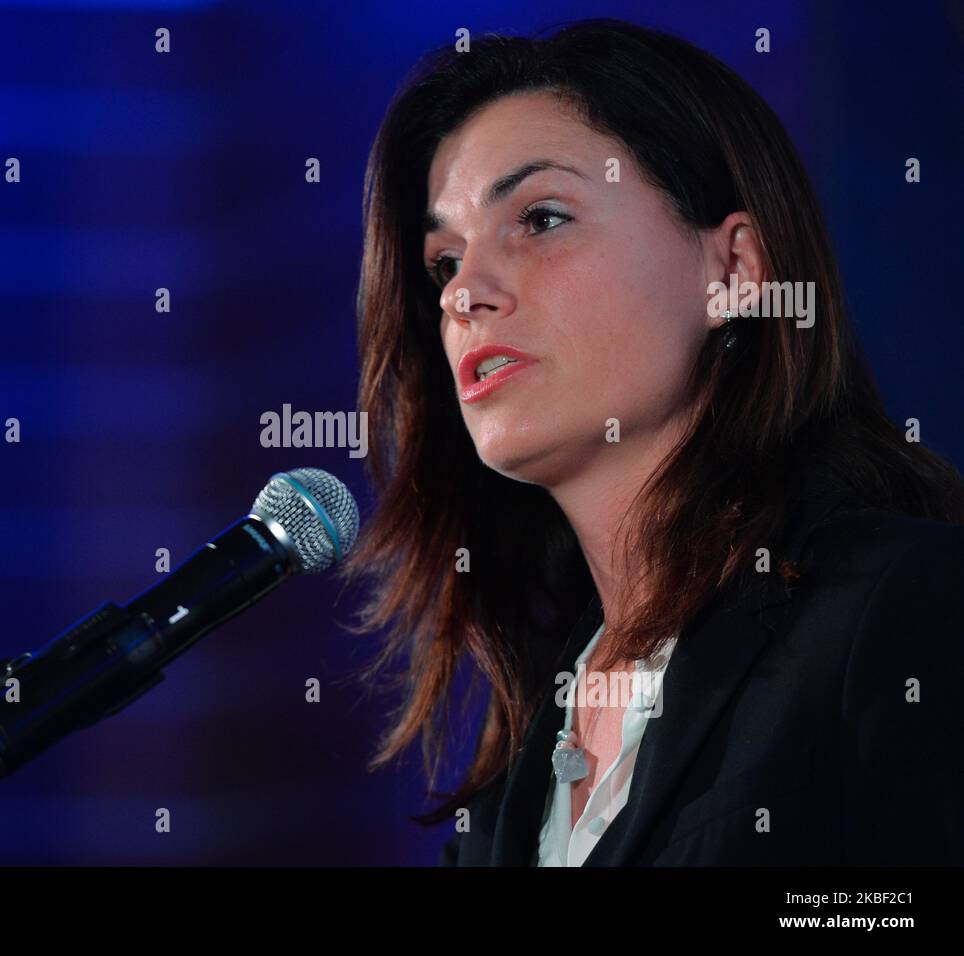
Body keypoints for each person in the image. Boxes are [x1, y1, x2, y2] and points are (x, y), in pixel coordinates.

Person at [335, 18, 964, 865]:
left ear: (735, 271)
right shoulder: (505, 780)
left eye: (542, 217)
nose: (465, 294)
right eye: (443, 263)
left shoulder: (902, 605)